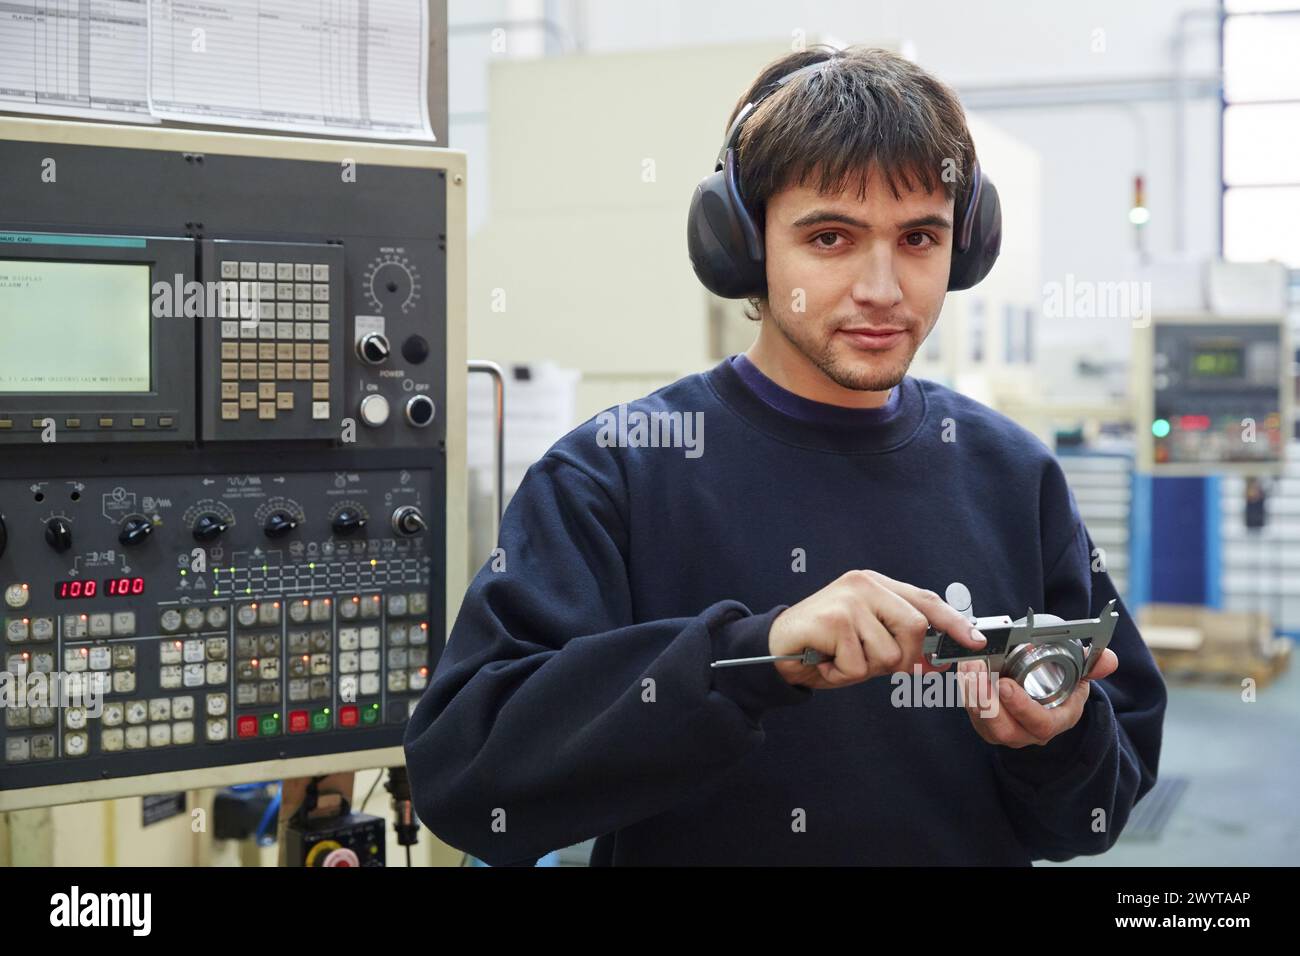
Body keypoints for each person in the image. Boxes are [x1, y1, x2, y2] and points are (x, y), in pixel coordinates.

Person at [404, 45, 1166, 866]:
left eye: (918, 237)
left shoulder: (1015, 476)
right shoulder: (614, 474)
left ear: (964, 249)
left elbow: (1098, 810)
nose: (882, 287)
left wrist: (1054, 739)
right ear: (743, 245)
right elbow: (467, 781)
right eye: (831, 236)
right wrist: (752, 657)